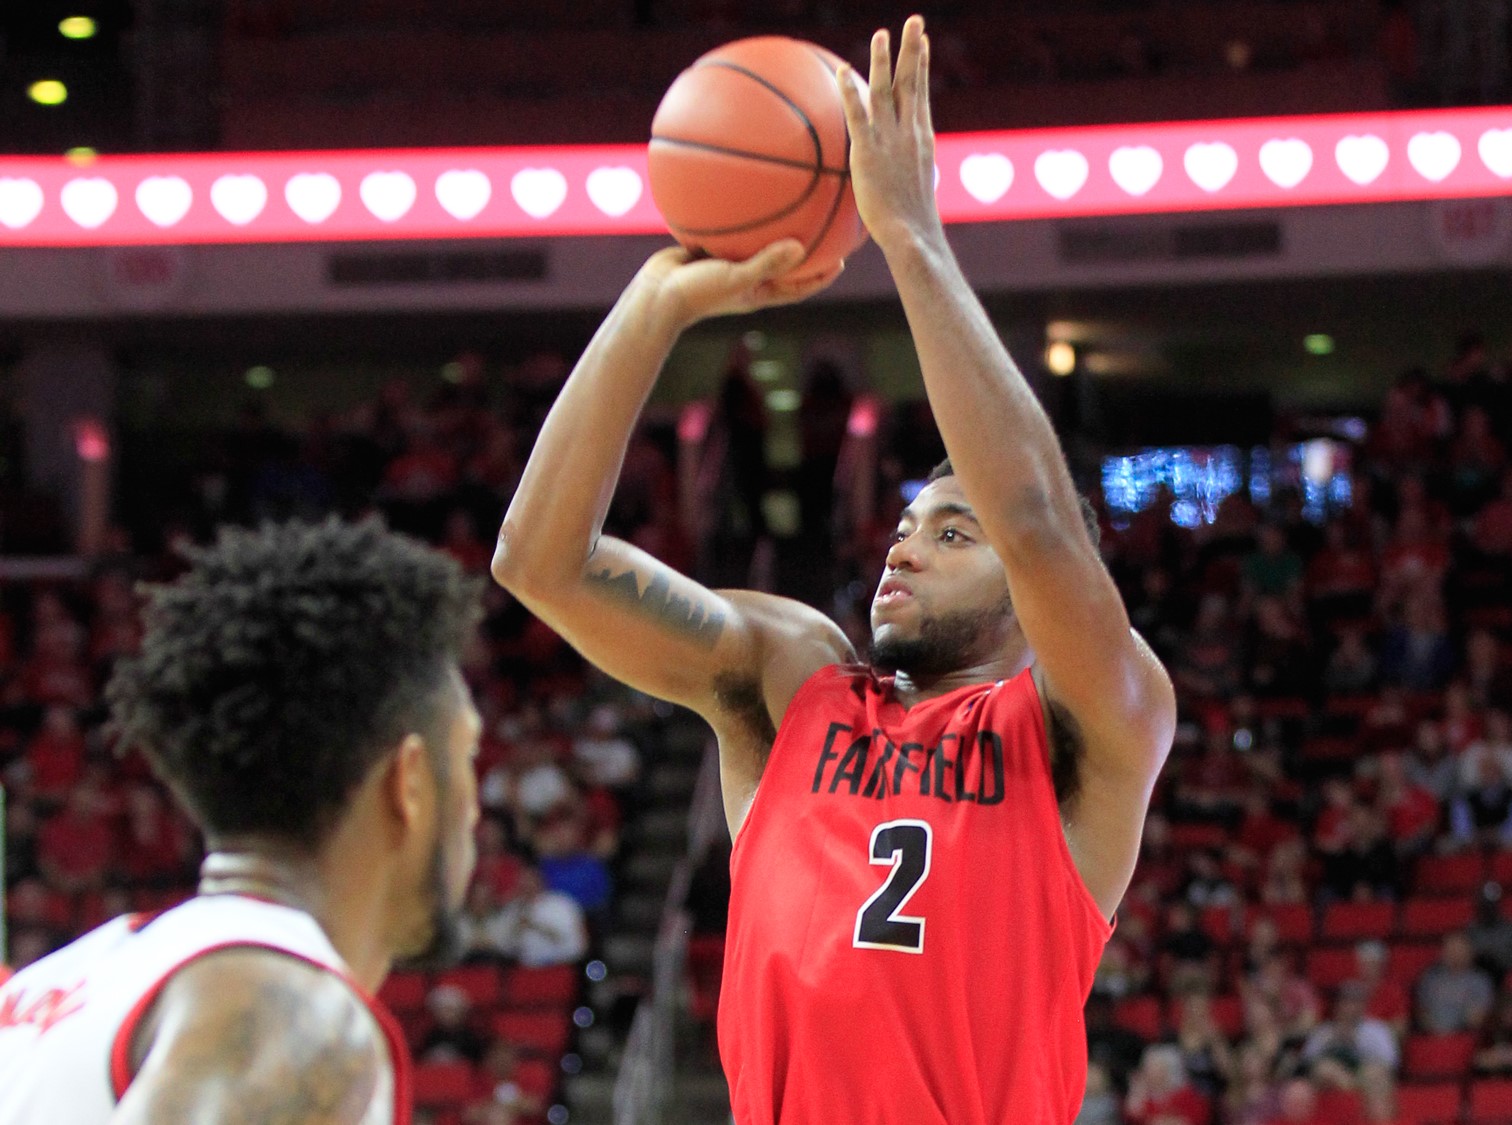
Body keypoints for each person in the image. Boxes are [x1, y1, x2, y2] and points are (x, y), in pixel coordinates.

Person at [491, 19, 1177, 1124]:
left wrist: (910, 238)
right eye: (908, 522)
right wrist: (658, 304)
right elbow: (540, 561)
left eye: (954, 534)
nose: (905, 543)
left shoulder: (1089, 725)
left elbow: (1038, 521)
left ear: (1029, 597)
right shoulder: (789, 680)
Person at [0, 519, 484, 1121]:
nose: (475, 806)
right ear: (408, 781)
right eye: (466, 755)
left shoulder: (63, 982)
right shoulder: (285, 1014)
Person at [1415, 931, 1495, 1034]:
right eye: (1450, 949)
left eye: (1459, 949)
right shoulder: (1430, 979)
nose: (1454, 954)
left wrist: (1451, 1031)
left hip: (1465, 1036)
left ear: (1470, 952)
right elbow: (1422, 1012)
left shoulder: (1480, 981)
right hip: (1433, 1035)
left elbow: (1477, 1018)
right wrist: (1436, 1031)